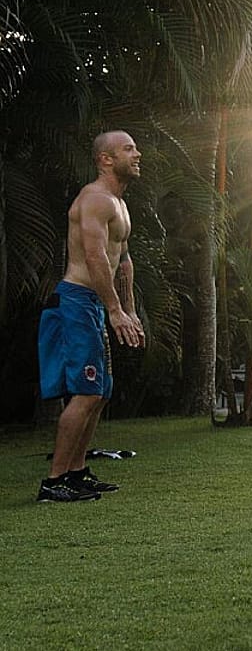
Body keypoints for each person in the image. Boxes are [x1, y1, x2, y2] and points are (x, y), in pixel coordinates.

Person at [36, 130, 147, 502]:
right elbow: (96, 256)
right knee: (86, 392)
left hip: (96, 303)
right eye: (128, 149)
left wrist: (128, 309)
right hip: (78, 301)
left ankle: (77, 471)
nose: (137, 154)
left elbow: (123, 260)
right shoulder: (95, 199)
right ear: (106, 159)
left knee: (100, 391)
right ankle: (54, 482)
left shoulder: (119, 203)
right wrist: (113, 309)